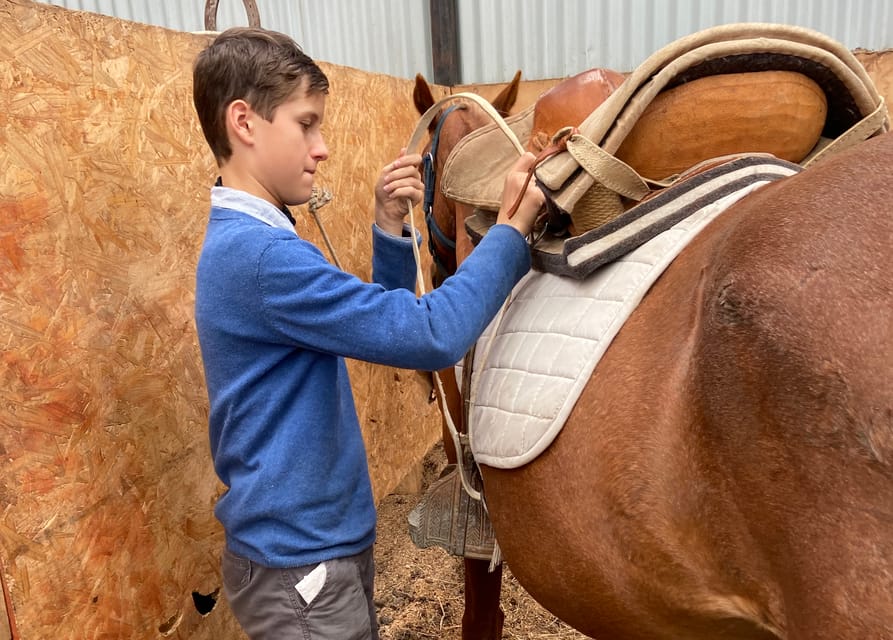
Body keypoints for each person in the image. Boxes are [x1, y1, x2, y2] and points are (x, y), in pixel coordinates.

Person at [191, 26, 544, 640]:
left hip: (310, 554)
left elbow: (373, 323)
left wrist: (387, 227)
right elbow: (430, 334)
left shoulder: (260, 243)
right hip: (301, 566)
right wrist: (512, 231)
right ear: (244, 123)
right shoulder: (261, 259)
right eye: (307, 124)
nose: (322, 147)